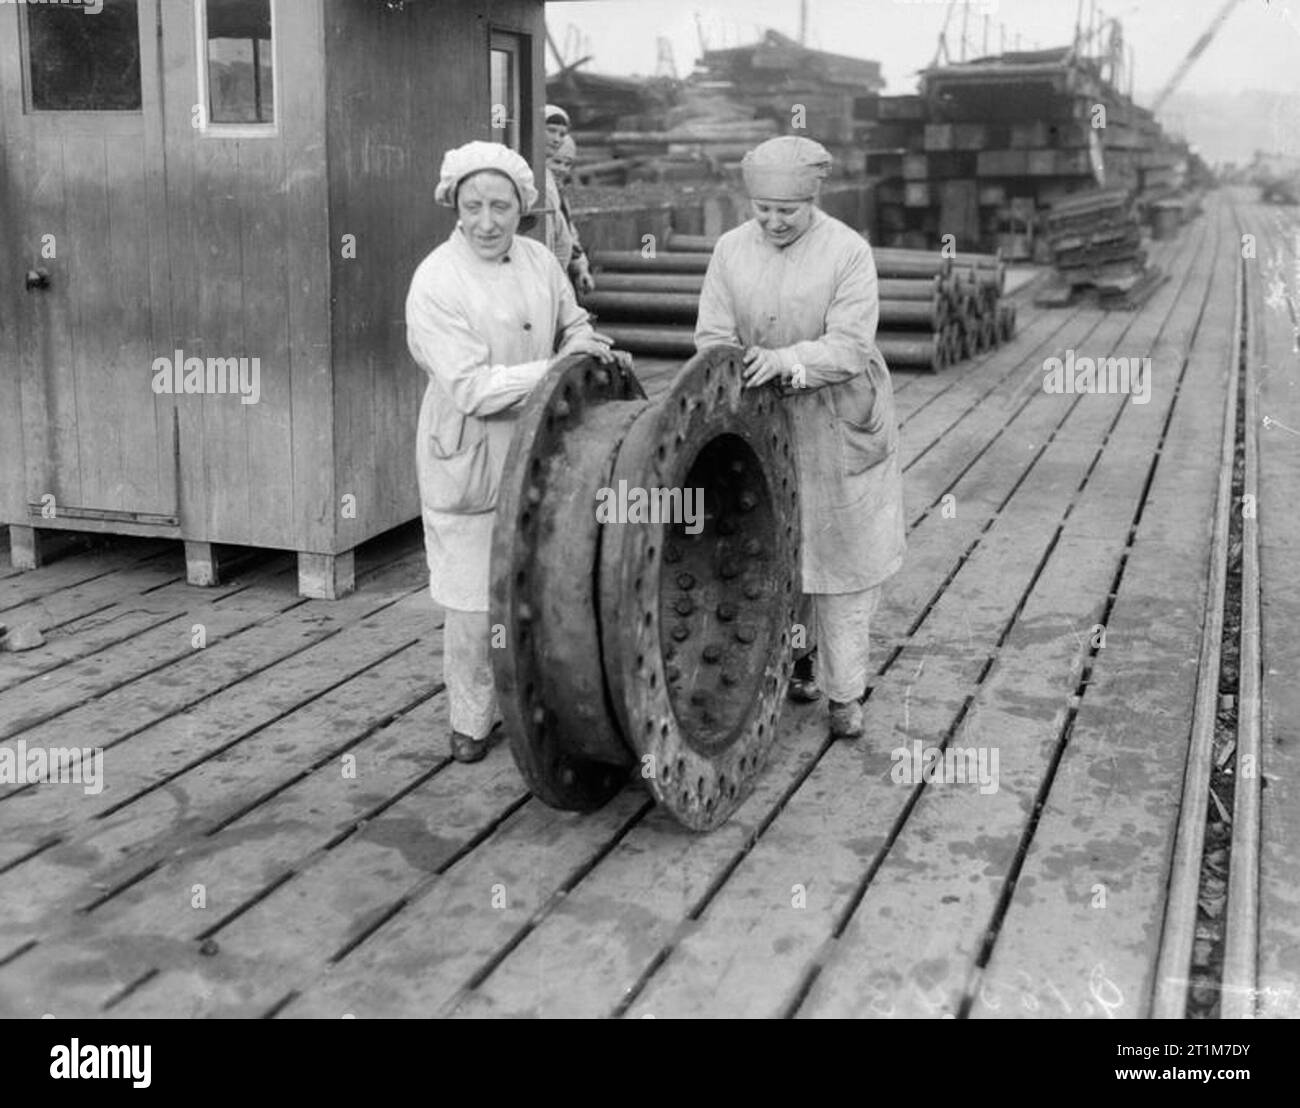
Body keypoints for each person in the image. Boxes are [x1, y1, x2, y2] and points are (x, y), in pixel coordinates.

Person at [406, 141, 627, 763]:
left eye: (500, 206)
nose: (485, 220)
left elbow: (573, 324)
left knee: (544, 582)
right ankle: (471, 719)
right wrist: (558, 368)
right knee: (474, 600)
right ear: (453, 202)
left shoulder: (537, 261)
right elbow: (473, 390)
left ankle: (538, 707)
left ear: (522, 208)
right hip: (473, 453)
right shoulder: (436, 281)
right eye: (472, 204)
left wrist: (586, 343)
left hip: (547, 452)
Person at [694, 136, 905, 740]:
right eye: (762, 209)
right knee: (779, 550)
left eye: (788, 210)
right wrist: (732, 366)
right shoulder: (731, 250)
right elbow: (712, 334)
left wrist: (786, 361)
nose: (774, 222)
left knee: (842, 561)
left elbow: (851, 345)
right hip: (764, 422)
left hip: (838, 418)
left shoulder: (847, 251)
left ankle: (846, 695)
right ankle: (799, 662)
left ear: (814, 197)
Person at [547, 134, 595, 295]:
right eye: (556, 161)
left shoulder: (560, 195)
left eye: (567, 164)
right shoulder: (542, 194)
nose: (562, 169)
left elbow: (569, 235)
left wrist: (582, 268)